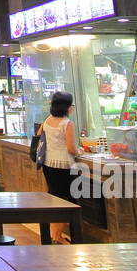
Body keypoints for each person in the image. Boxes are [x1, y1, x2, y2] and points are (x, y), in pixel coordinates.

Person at [35, 91, 81, 243]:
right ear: (68, 107)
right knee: (65, 201)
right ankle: (56, 236)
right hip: (64, 166)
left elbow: (38, 136)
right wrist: (79, 150)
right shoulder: (67, 123)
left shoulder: (48, 120)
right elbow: (71, 148)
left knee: (55, 198)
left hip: (48, 164)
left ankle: (55, 235)